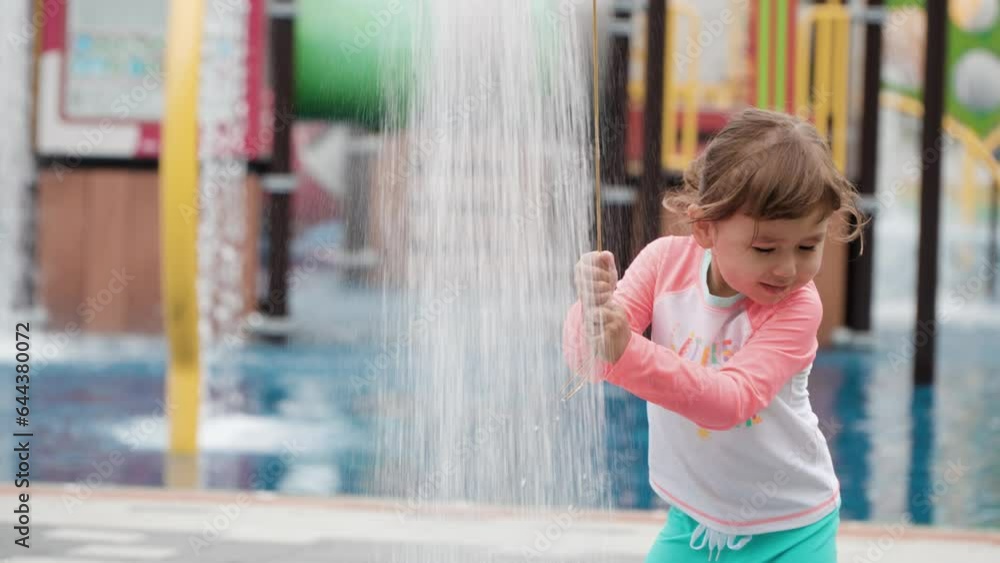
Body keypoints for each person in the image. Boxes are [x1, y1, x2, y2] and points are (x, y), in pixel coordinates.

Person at [563, 108, 864, 562]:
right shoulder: (664, 263)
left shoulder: (797, 306)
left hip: (793, 528)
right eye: (765, 248)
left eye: (808, 246)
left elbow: (728, 401)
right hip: (695, 522)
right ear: (705, 228)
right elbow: (590, 362)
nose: (788, 269)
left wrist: (625, 348)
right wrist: (590, 311)